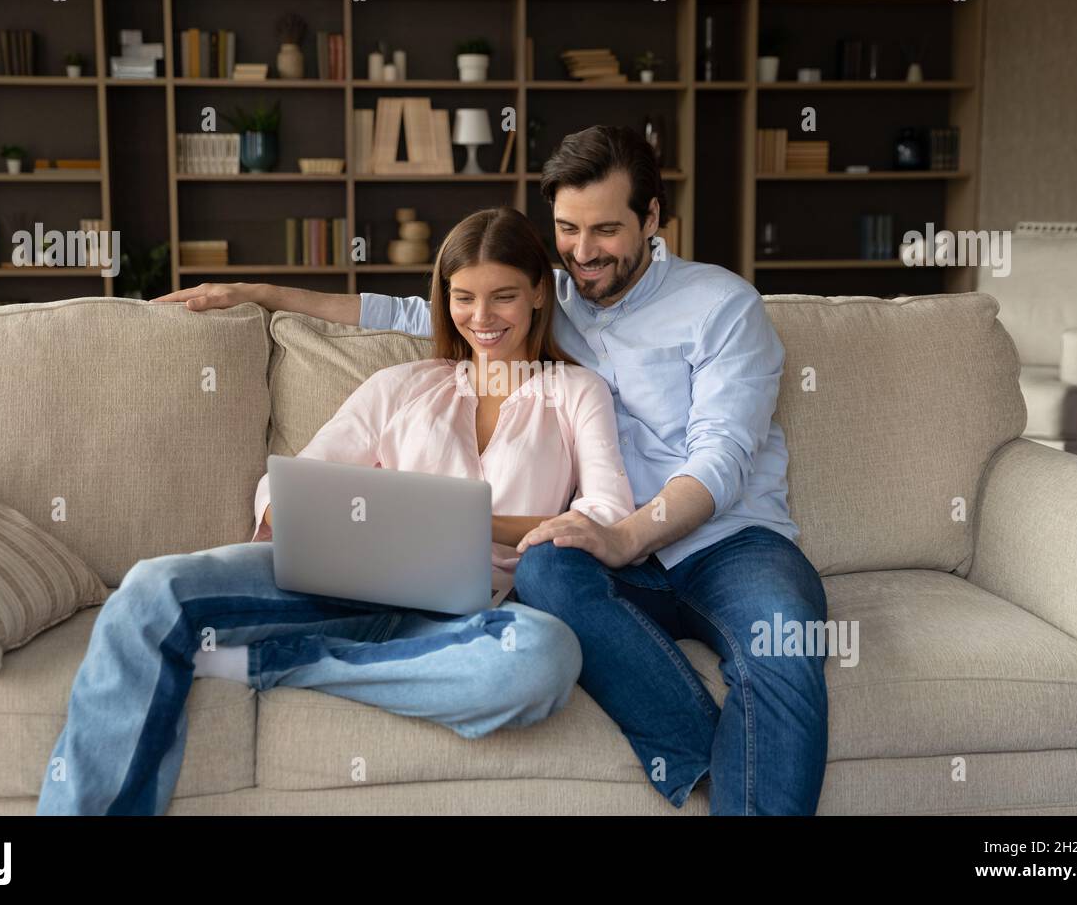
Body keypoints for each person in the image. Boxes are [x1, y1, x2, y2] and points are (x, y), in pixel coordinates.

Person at [159, 125, 830, 816]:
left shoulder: (722, 306)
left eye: (606, 229)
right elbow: (430, 308)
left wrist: (627, 535)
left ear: (654, 218)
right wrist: (262, 291)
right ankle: (700, 762)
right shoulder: (554, 296)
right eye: (568, 230)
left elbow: (720, 457)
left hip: (726, 544)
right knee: (543, 568)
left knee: (781, 649)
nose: (585, 251)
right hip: (606, 555)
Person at [38, 206, 634, 815]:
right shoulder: (403, 384)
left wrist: (469, 522)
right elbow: (290, 486)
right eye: (463, 298)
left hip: (462, 617)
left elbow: (606, 515)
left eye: (503, 296)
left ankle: (276, 664)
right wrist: (298, 516)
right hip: (342, 586)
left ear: (539, 292)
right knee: (148, 590)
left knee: (545, 657)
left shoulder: (574, 392)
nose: (481, 318)